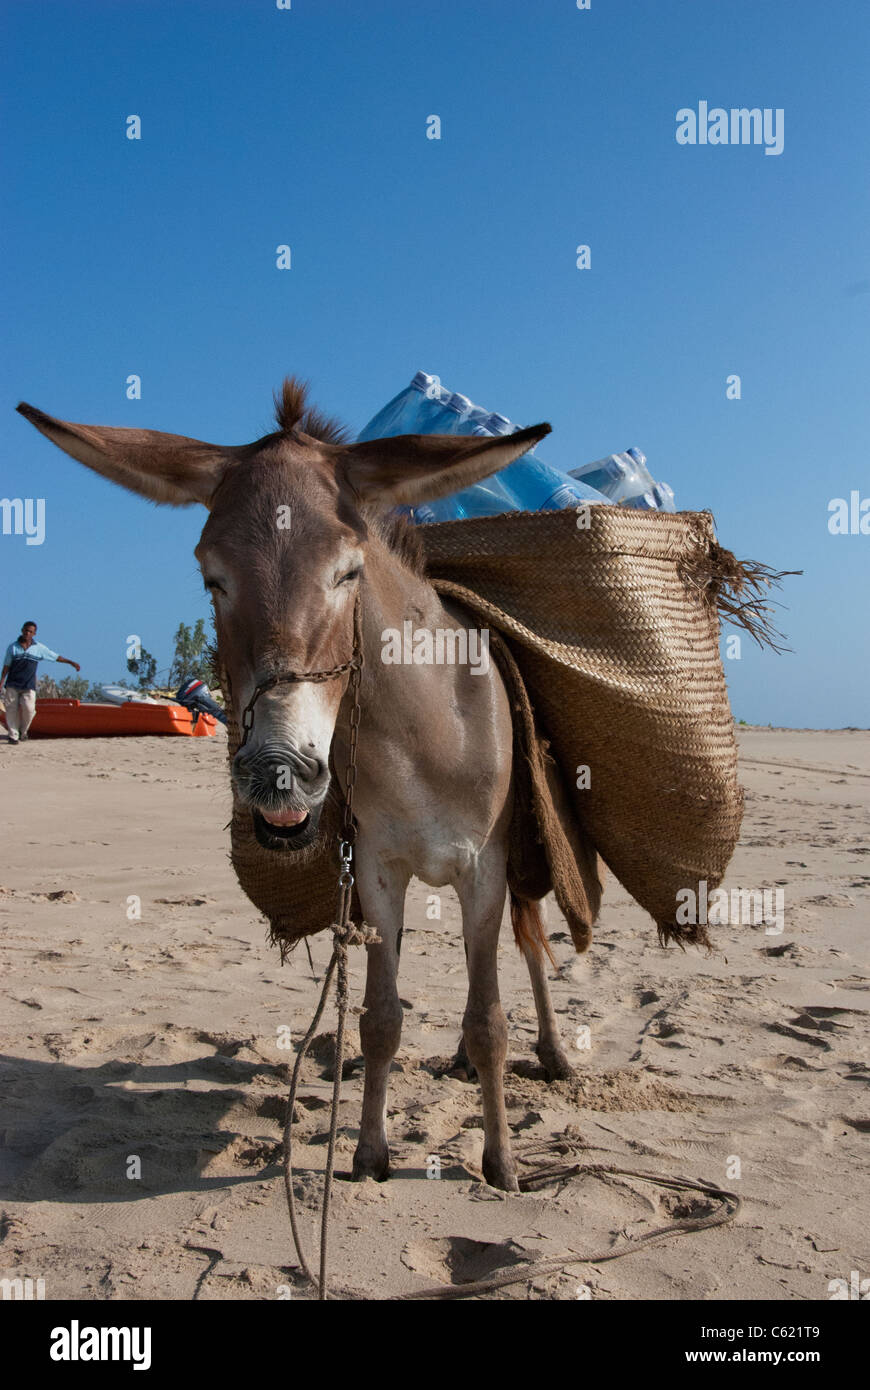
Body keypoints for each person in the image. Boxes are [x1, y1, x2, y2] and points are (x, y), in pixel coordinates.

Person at [1, 621, 81, 744]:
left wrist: (71, 662)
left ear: (34, 634)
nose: (27, 633)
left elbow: (55, 657)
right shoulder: (13, 647)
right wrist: (1, 682)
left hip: (28, 685)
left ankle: (24, 731)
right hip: (12, 684)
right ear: (22, 630)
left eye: (30, 632)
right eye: (26, 630)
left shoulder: (38, 648)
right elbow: (6, 666)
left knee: (29, 709)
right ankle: (13, 736)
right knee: (12, 710)